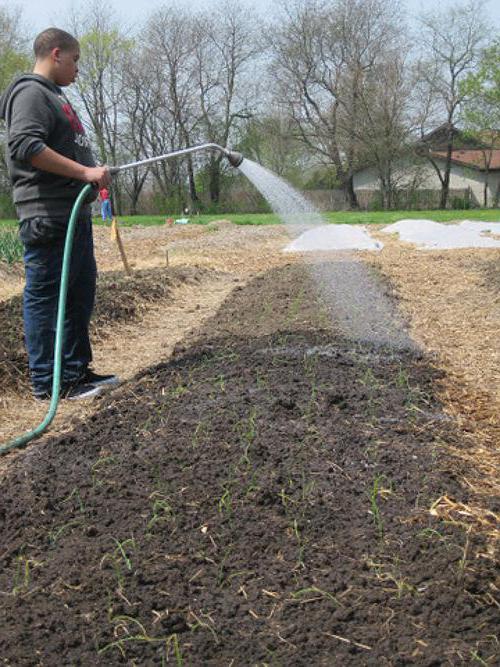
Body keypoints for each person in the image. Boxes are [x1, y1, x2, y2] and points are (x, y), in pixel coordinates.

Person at [0, 27, 119, 400]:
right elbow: (25, 145)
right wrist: (84, 172)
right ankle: (47, 383)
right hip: (48, 216)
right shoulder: (31, 93)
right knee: (48, 296)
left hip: (72, 214)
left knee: (79, 293)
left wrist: (92, 170)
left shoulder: (55, 96)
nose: (77, 69)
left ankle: (74, 373)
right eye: (75, 60)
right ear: (55, 54)